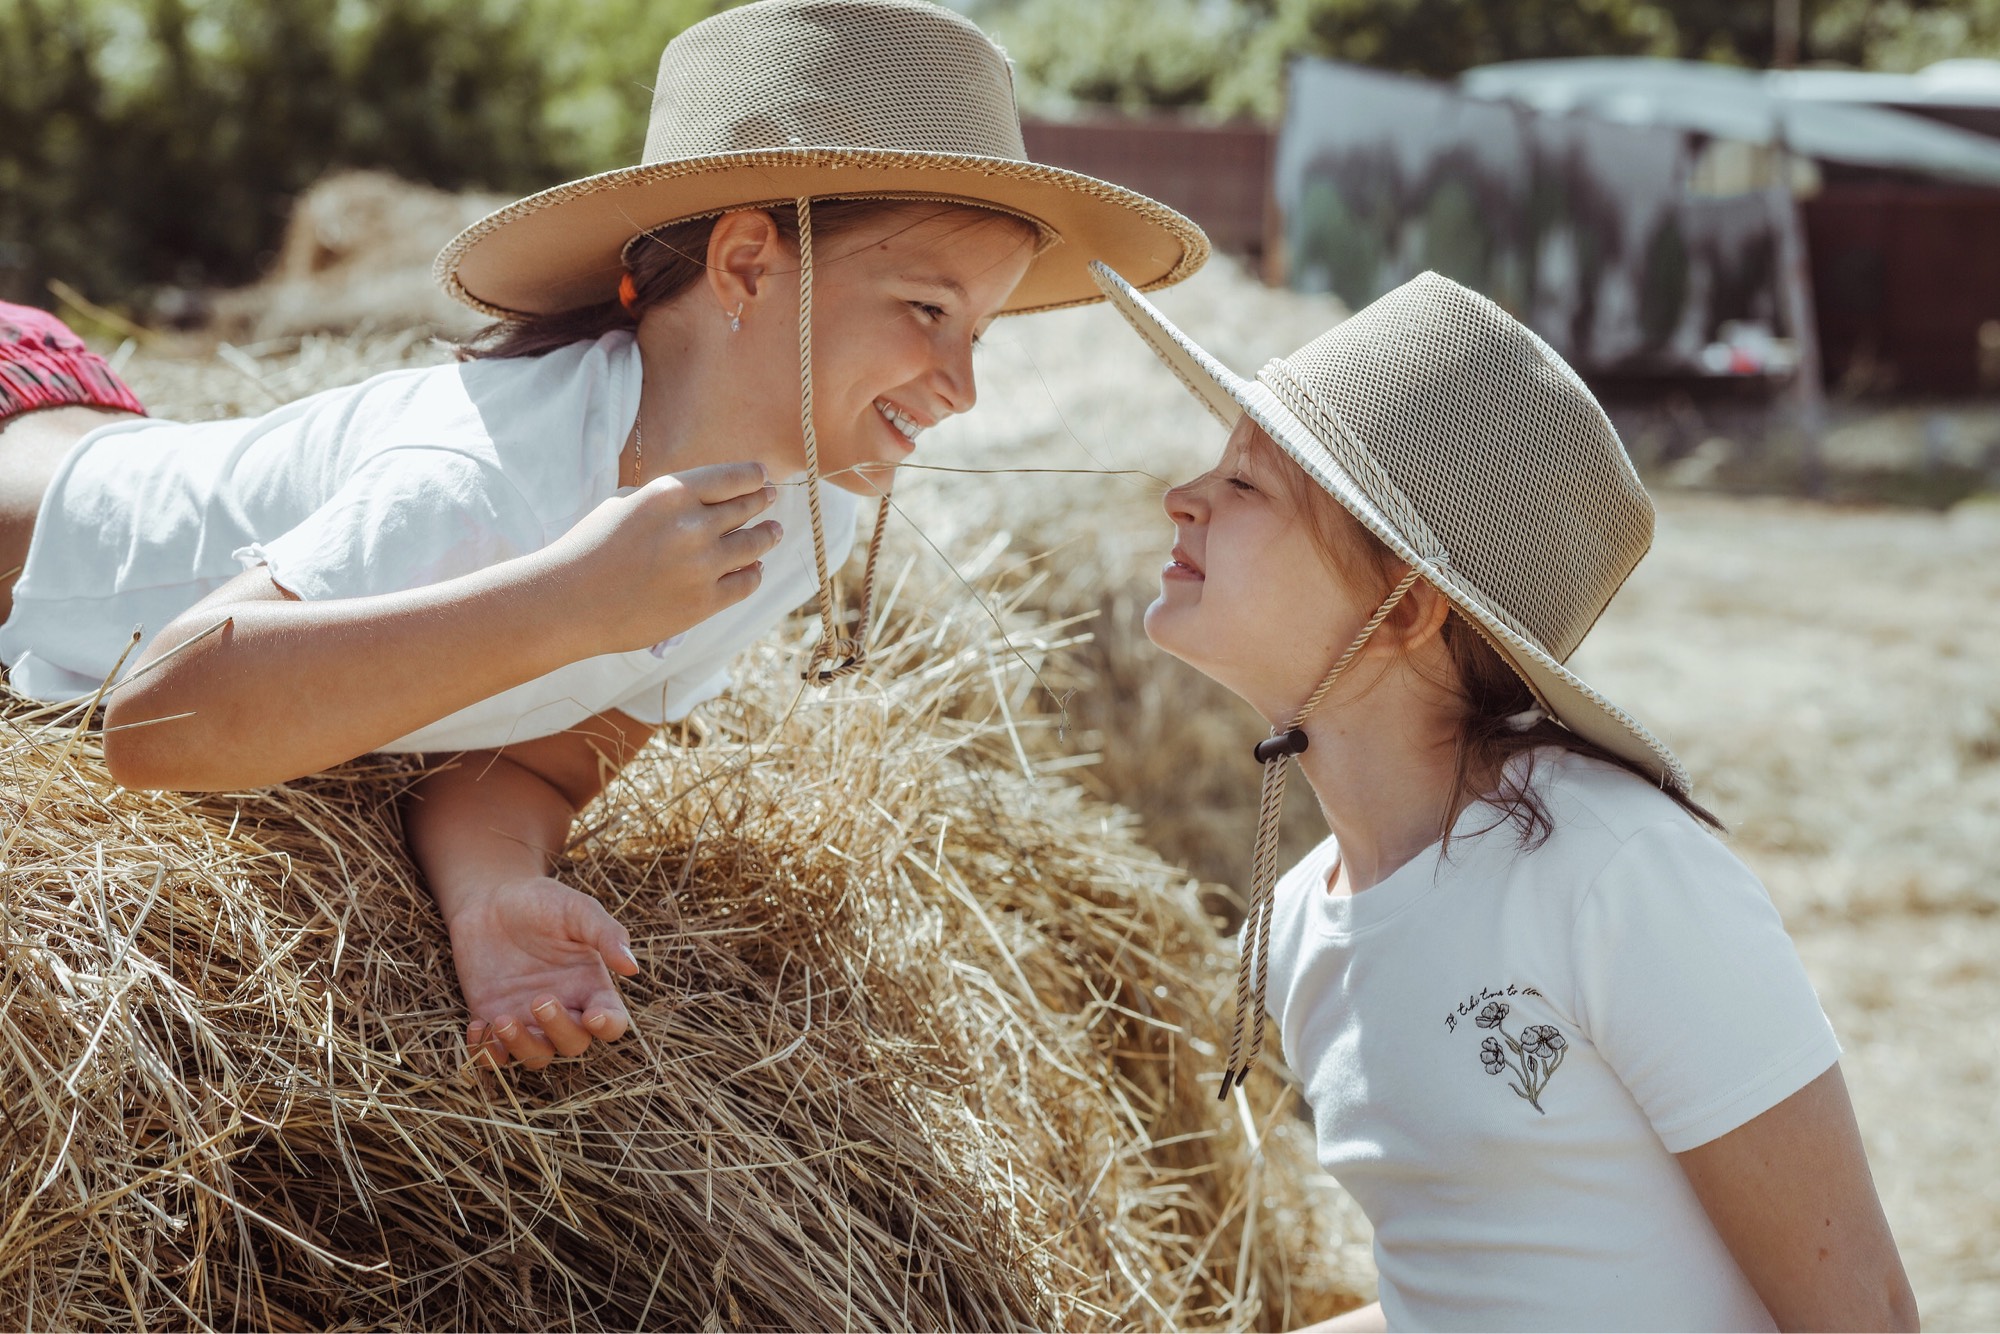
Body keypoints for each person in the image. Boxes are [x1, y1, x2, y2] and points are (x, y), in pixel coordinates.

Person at [0, 0, 1206, 1073]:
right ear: (744, 261)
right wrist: (565, 602)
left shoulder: (802, 507)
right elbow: (157, 721)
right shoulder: (490, 474)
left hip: (87, 421)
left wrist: (494, 891)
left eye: (979, 333)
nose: (961, 386)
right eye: (928, 311)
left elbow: (539, 753)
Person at [1086, 261, 1916, 1331]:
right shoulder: (1298, 926)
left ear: (1403, 609)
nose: (1182, 496)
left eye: (1246, 484)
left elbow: (1862, 1310)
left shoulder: (1614, 875)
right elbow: (1469, 1293)